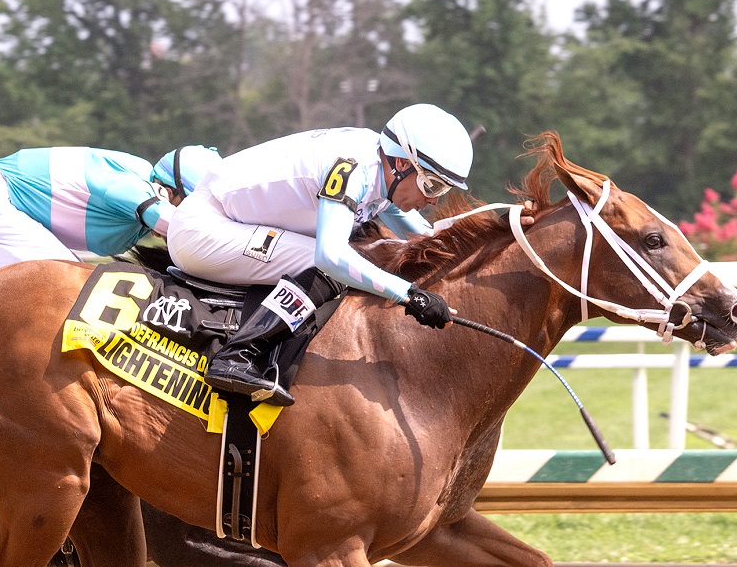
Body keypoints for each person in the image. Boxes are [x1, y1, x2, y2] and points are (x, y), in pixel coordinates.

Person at [168, 103, 512, 406]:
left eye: (443, 189)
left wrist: (505, 229)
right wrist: (408, 295)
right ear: (401, 163)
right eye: (432, 186)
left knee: (356, 257)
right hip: (203, 229)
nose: (434, 200)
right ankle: (238, 356)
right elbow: (330, 257)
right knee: (335, 266)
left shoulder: (380, 167)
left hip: (229, 224)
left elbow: (421, 231)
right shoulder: (352, 168)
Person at [0, 144, 222, 270]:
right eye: (186, 205)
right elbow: (178, 224)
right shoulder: (133, 184)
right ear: (167, 190)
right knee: (71, 286)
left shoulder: (135, 187)